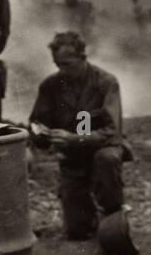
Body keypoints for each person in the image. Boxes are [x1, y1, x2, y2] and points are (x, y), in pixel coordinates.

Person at [28, 31, 129, 242]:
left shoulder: (106, 82)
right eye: (57, 64)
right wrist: (41, 134)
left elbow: (112, 132)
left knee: (107, 159)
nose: (61, 70)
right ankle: (88, 214)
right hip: (72, 156)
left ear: (83, 58)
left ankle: (112, 210)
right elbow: (36, 121)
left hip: (102, 147)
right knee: (77, 232)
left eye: (67, 64)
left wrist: (74, 139)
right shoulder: (51, 86)